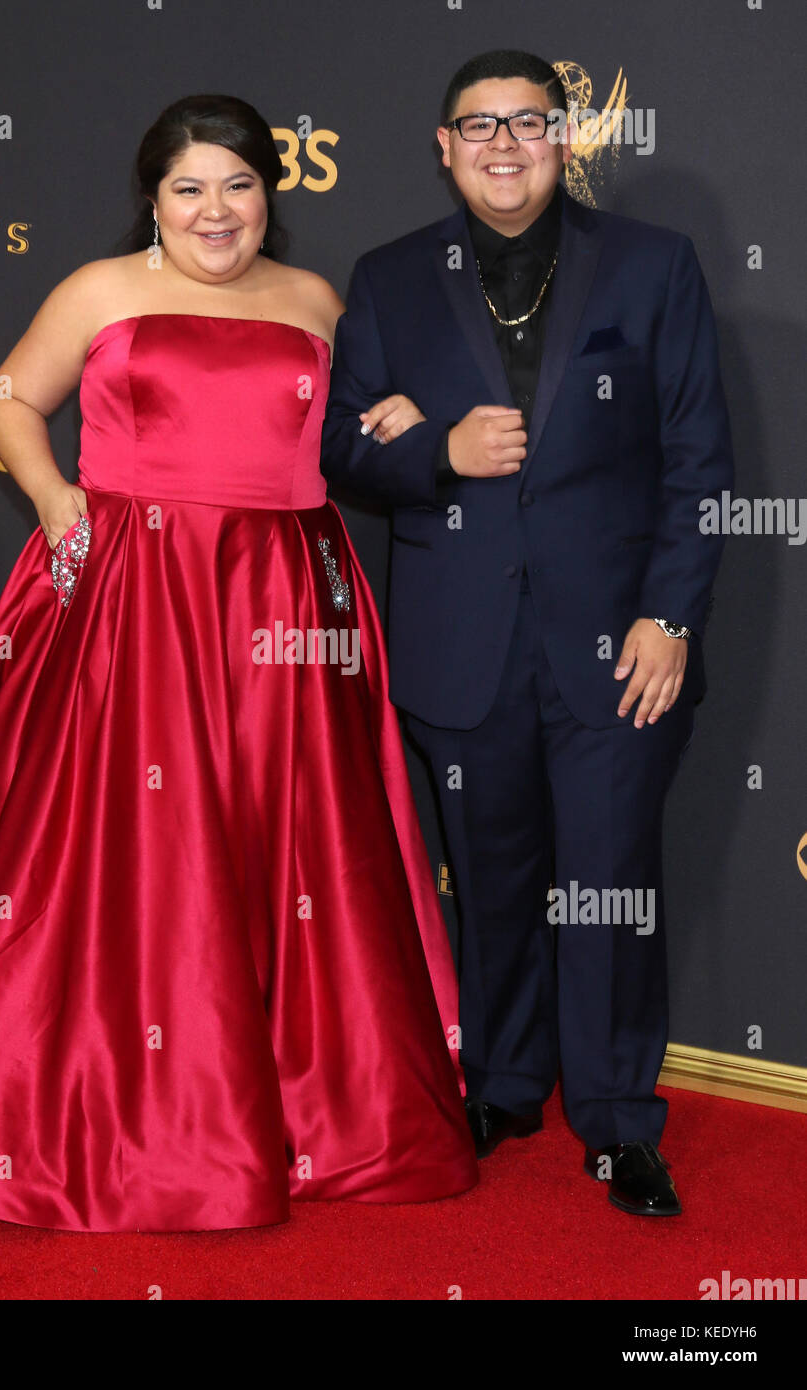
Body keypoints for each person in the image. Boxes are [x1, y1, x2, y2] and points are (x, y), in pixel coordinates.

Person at [0, 94, 478, 1233]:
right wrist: (54, 496)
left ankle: (307, 1106)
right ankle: (99, 1107)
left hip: (281, 597)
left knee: (291, 843)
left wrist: (405, 423)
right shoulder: (98, 291)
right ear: (153, 198)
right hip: (133, 591)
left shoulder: (319, 303)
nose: (215, 211)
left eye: (237, 185)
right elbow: (11, 399)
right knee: (121, 852)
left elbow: (360, 436)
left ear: (270, 195)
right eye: (189, 188)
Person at [321, 51, 733, 1216]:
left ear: (565, 138)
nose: (506, 143)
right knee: (492, 883)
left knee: (607, 885)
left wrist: (669, 615)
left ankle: (616, 1122)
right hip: (462, 644)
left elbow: (702, 461)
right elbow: (340, 453)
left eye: (530, 122)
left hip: (620, 648)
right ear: (443, 146)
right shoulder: (390, 277)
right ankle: (502, 1081)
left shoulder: (653, 268)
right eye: (479, 124)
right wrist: (434, 451)